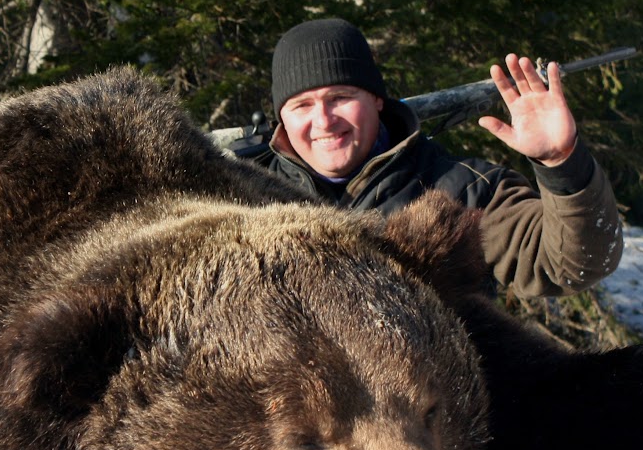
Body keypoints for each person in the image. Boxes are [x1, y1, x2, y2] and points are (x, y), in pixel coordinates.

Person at [258, 17, 623, 297]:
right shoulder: (243, 192)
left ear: (376, 99)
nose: (323, 120)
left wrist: (562, 163)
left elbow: (573, 266)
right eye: (302, 105)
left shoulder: (465, 191)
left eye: (340, 97)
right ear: (282, 117)